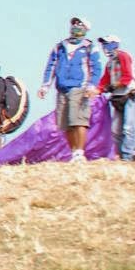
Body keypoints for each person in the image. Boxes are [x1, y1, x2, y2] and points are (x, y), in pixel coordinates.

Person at [37, 16, 103, 162]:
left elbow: (96, 68)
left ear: (85, 29)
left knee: (78, 120)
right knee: (65, 123)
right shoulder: (60, 46)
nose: (76, 27)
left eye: (79, 25)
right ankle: (74, 152)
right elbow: (51, 66)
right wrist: (45, 86)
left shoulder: (90, 47)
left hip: (80, 87)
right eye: (74, 24)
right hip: (62, 88)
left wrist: (92, 85)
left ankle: (80, 152)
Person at [98, 35, 135, 161]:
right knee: (115, 130)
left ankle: (127, 156)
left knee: (127, 127)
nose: (105, 47)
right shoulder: (110, 63)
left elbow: (127, 77)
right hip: (117, 98)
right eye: (104, 45)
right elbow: (104, 81)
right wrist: (96, 91)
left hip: (130, 95)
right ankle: (118, 155)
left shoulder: (123, 56)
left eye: (107, 44)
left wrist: (112, 86)